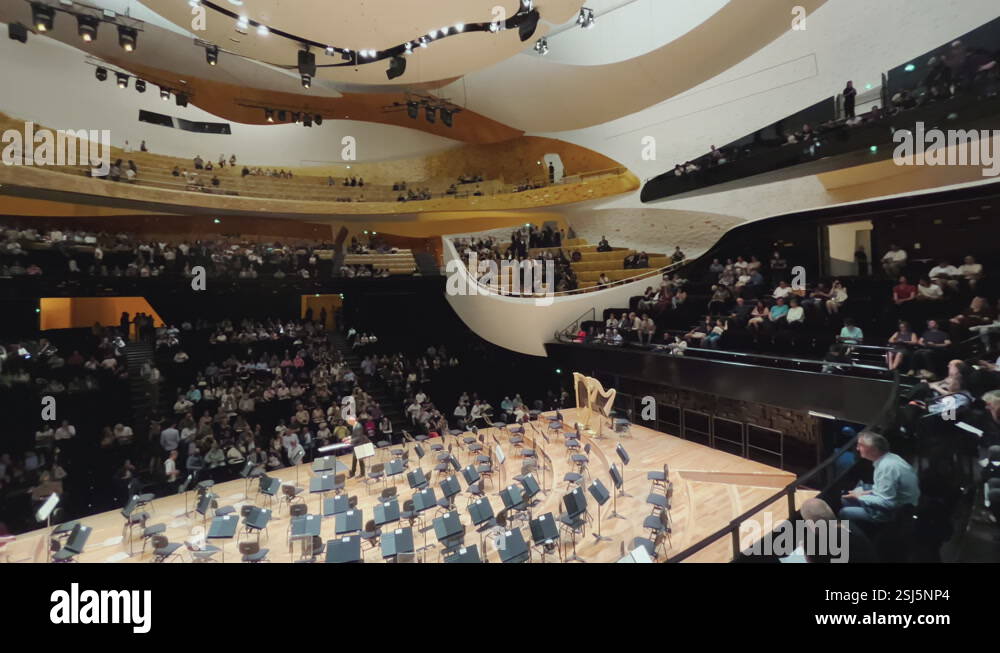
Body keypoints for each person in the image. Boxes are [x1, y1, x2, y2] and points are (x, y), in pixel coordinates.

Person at [838, 431, 920, 524]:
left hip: (898, 512)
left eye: (860, 445)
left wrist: (860, 496)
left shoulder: (886, 467)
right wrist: (865, 493)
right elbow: (884, 490)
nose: (857, 448)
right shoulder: (890, 457)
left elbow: (889, 503)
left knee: (843, 512)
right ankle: (862, 522)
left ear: (874, 450)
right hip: (903, 502)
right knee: (848, 497)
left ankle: (861, 536)